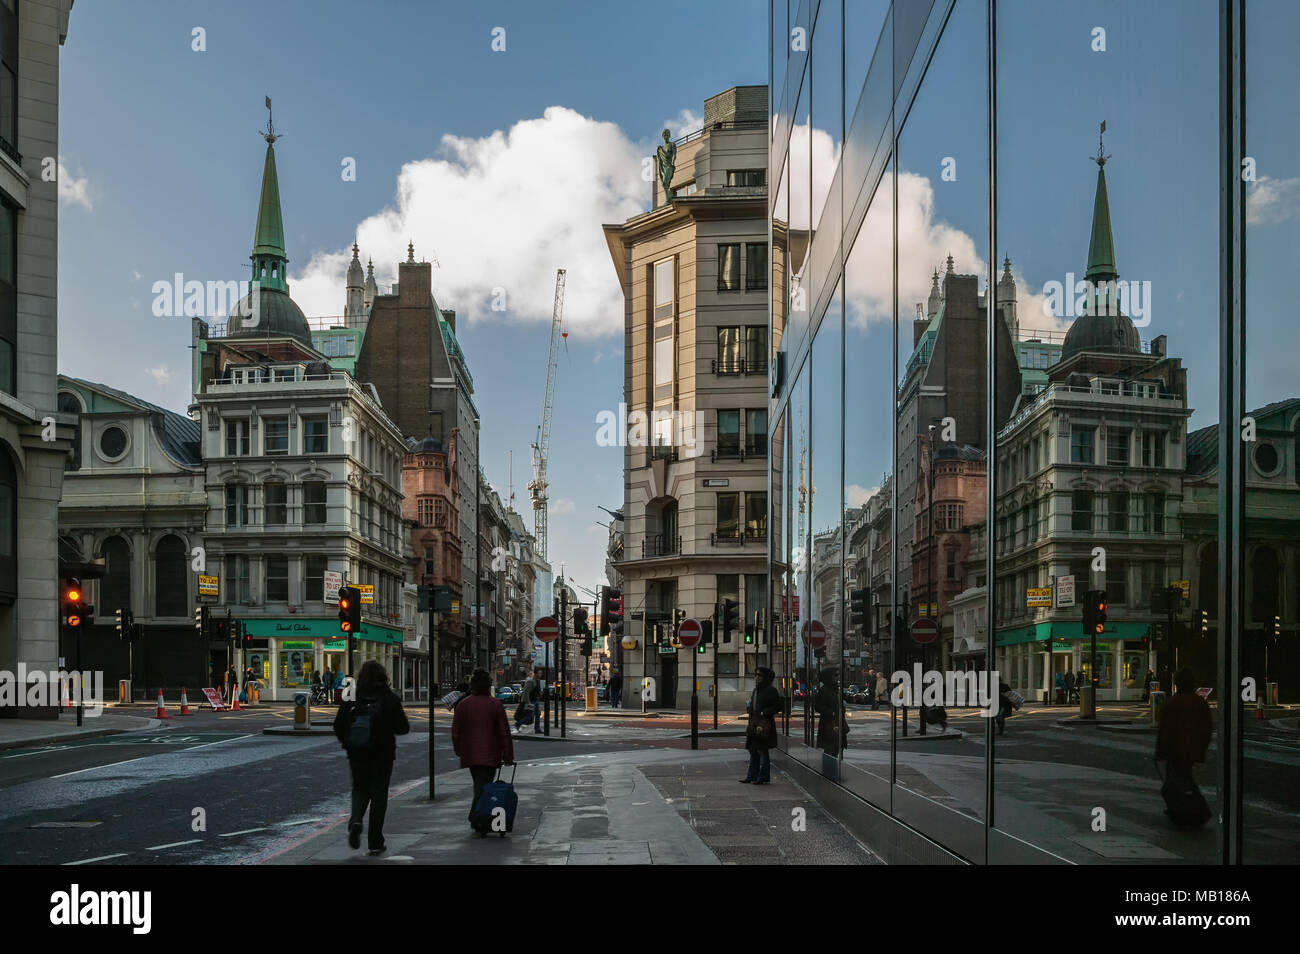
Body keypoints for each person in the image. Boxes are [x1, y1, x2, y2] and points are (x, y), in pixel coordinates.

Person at [332, 660, 410, 855]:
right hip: (382, 755)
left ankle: (356, 820)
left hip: (357, 754)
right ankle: (375, 842)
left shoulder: (352, 697)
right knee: (379, 797)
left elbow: (338, 725)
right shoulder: (389, 698)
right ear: (383, 676)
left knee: (359, 788)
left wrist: (348, 742)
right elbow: (403, 728)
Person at [451, 669, 514, 831]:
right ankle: (477, 818)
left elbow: (456, 732)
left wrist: (459, 750)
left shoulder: (463, 705)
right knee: (483, 785)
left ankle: (479, 818)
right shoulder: (495, 704)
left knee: (480, 785)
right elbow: (504, 733)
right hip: (491, 754)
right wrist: (507, 755)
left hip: (471, 753)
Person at [1155, 667, 1213, 826]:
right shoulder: (1200, 702)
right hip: (1192, 749)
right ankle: (1187, 809)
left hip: (1174, 749)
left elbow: (1164, 729)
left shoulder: (1172, 702)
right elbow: (1207, 728)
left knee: (1178, 780)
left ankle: (1190, 809)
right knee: (1185, 778)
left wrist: (1160, 750)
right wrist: (1201, 748)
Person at [741, 667, 782, 784]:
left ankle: (763, 777)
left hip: (764, 725)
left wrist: (765, 712)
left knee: (763, 751)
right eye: (756, 675)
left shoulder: (771, 690)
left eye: (760, 675)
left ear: (766, 678)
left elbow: (778, 706)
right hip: (754, 723)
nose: (757, 677)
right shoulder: (756, 690)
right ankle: (751, 776)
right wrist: (749, 708)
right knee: (753, 750)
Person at [814, 668, 847, 755]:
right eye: (835, 675)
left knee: (836, 749)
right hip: (829, 724)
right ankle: (829, 768)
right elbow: (817, 706)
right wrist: (831, 712)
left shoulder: (835, 688)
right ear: (829, 677)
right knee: (830, 749)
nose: (837, 677)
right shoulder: (825, 690)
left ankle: (832, 767)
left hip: (837, 722)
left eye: (838, 675)